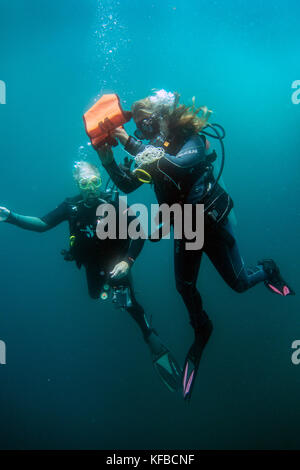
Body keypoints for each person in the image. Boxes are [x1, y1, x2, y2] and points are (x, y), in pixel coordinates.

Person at [95, 89, 295, 401]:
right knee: (183, 287)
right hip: (186, 226)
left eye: (147, 124)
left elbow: (175, 166)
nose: (144, 131)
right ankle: (202, 328)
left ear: (162, 117)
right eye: (140, 128)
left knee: (239, 283)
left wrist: (127, 141)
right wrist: (107, 160)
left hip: (212, 222)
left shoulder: (192, 140)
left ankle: (268, 269)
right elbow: (127, 183)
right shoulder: (149, 148)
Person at [0, 160, 182, 392]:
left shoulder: (115, 202)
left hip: (117, 263)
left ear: (99, 180)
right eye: (85, 183)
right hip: (91, 265)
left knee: (128, 303)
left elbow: (139, 233)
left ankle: (151, 338)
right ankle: (120, 292)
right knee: (95, 295)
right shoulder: (71, 206)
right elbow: (42, 224)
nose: (91, 187)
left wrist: (128, 262)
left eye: (95, 181)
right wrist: (11, 217)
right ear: (78, 183)